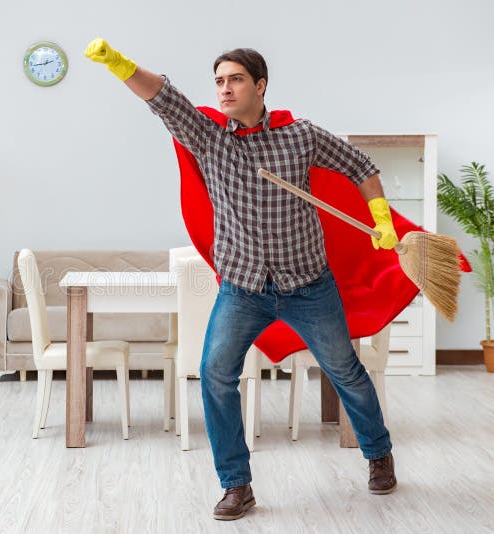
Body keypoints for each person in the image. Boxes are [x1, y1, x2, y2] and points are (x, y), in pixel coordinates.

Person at [85, 38, 398, 521]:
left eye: (235, 79)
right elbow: (162, 97)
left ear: (260, 85)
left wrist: (381, 216)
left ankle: (378, 453)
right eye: (219, 81)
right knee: (215, 375)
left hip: (308, 285)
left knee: (345, 371)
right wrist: (119, 64)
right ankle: (236, 485)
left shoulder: (300, 136)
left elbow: (362, 166)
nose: (225, 89)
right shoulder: (209, 137)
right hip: (243, 289)